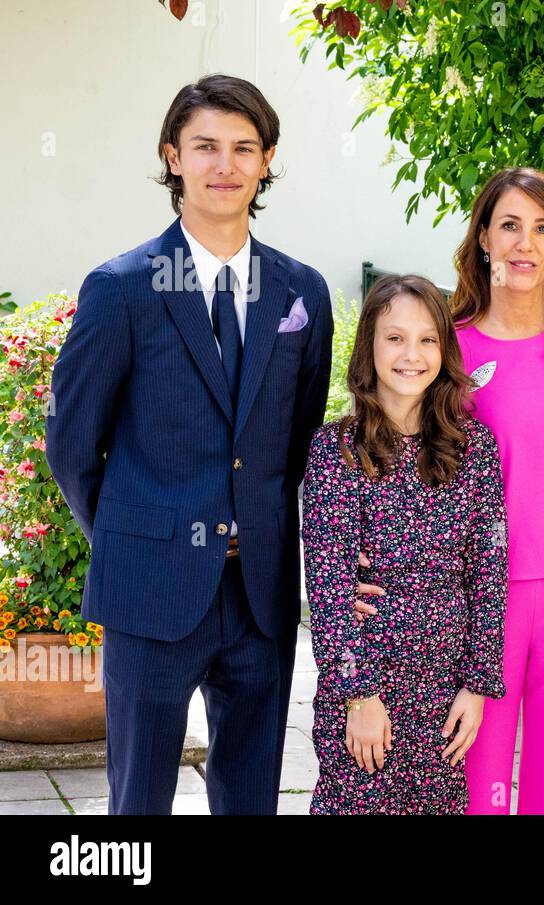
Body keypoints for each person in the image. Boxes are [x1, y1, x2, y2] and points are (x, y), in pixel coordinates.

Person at [46, 75, 333, 814]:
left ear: (268, 159)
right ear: (172, 156)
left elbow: (296, 439)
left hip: (260, 594)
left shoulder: (302, 292)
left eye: (244, 147)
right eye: (205, 146)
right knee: (137, 801)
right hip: (150, 589)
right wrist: (133, 535)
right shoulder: (121, 288)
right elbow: (73, 446)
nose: (225, 164)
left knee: (251, 796)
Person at [357, 167, 544, 814]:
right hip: (472, 600)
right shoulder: (445, 346)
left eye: (542, 228)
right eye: (509, 225)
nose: (524, 243)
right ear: (483, 237)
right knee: (471, 783)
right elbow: (398, 458)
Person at [303, 274, 507, 815]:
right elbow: (327, 583)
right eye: (395, 338)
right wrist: (359, 693)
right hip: (369, 679)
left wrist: (476, 685)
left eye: (427, 339)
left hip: (445, 686)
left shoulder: (474, 449)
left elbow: (489, 571)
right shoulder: (336, 449)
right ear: (369, 344)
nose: (411, 354)